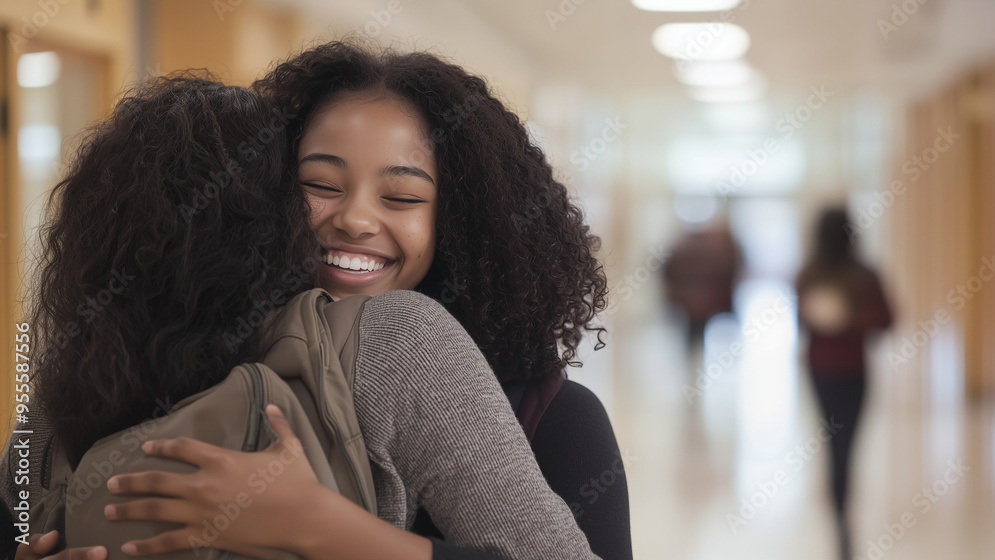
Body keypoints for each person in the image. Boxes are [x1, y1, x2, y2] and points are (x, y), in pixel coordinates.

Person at [1, 75, 599, 560]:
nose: (355, 220)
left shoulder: (547, 411)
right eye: (318, 185)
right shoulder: (64, 402)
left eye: (402, 196)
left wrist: (320, 526)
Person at [796, 208, 892, 560]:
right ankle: (840, 506)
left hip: (832, 370)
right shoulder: (842, 274)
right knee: (841, 442)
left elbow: (885, 319)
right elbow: (886, 320)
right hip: (842, 371)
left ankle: (840, 506)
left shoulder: (819, 274)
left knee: (838, 443)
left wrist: (845, 318)